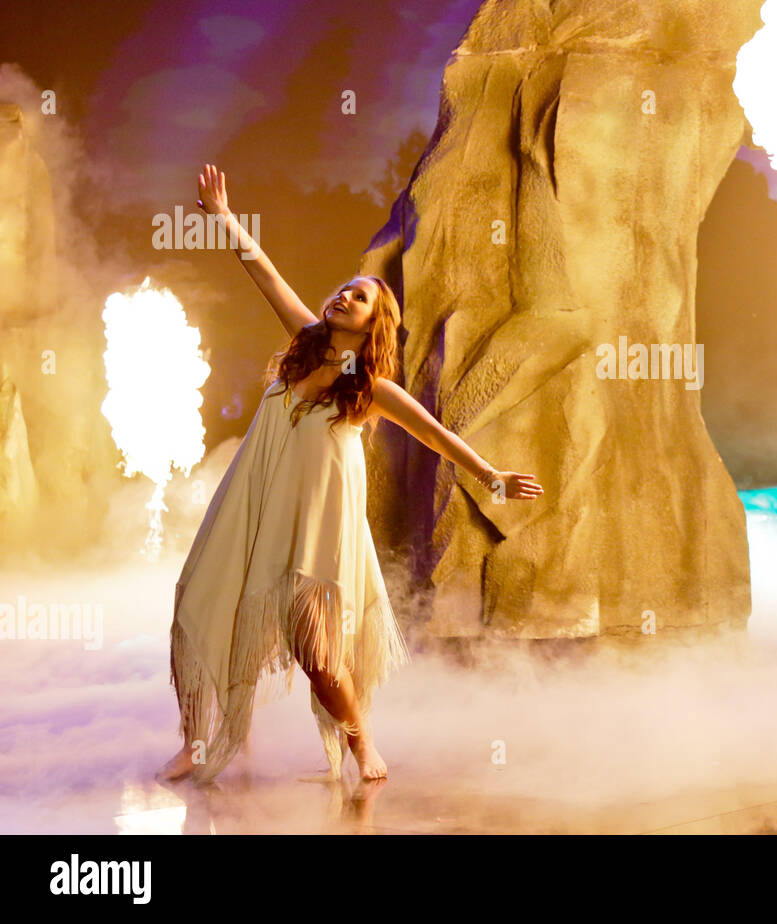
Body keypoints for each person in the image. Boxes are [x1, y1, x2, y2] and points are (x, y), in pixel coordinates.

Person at [159, 164, 542, 784]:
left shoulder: (373, 389)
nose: (344, 296)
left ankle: (362, 743)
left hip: (315, 534)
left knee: (319, 657)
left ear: (373, 322)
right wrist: (224, 218)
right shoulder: (303, 344)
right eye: (344, 290)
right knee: (200, 607)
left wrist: (491, 475)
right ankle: (195, 741)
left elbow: (436, 435)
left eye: (359, 297)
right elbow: (263, 270)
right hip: (251, 514)